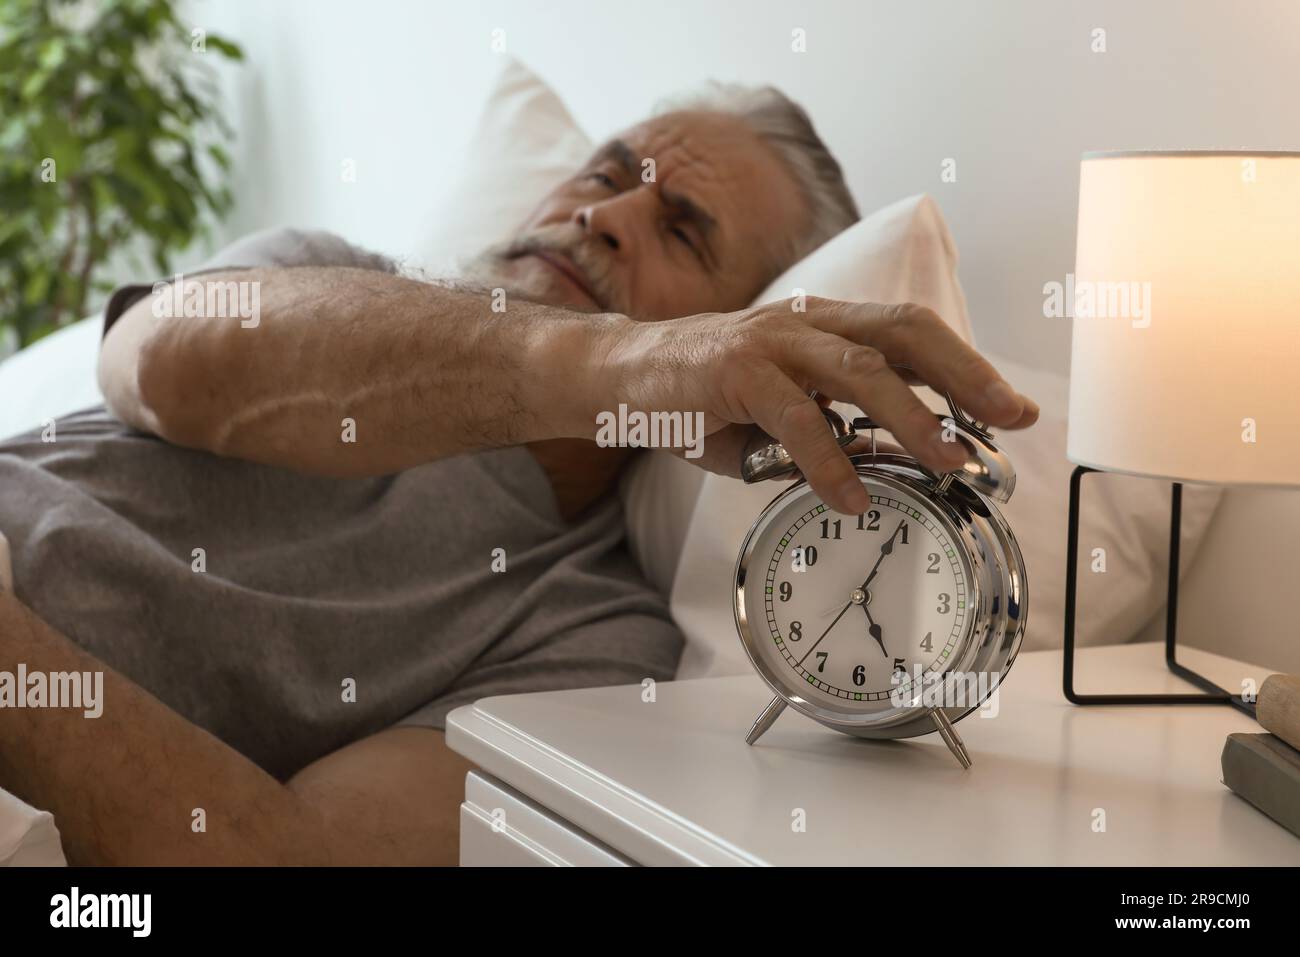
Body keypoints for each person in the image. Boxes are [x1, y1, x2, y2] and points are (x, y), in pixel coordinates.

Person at [0, 84, 1037, 865]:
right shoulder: (329, 271)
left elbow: (283, 857)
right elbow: (160, 360)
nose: (603, 217)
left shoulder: (590, 648)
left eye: (680, 228)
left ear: (740, 338)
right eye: (602, 174)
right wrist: (610, 361)